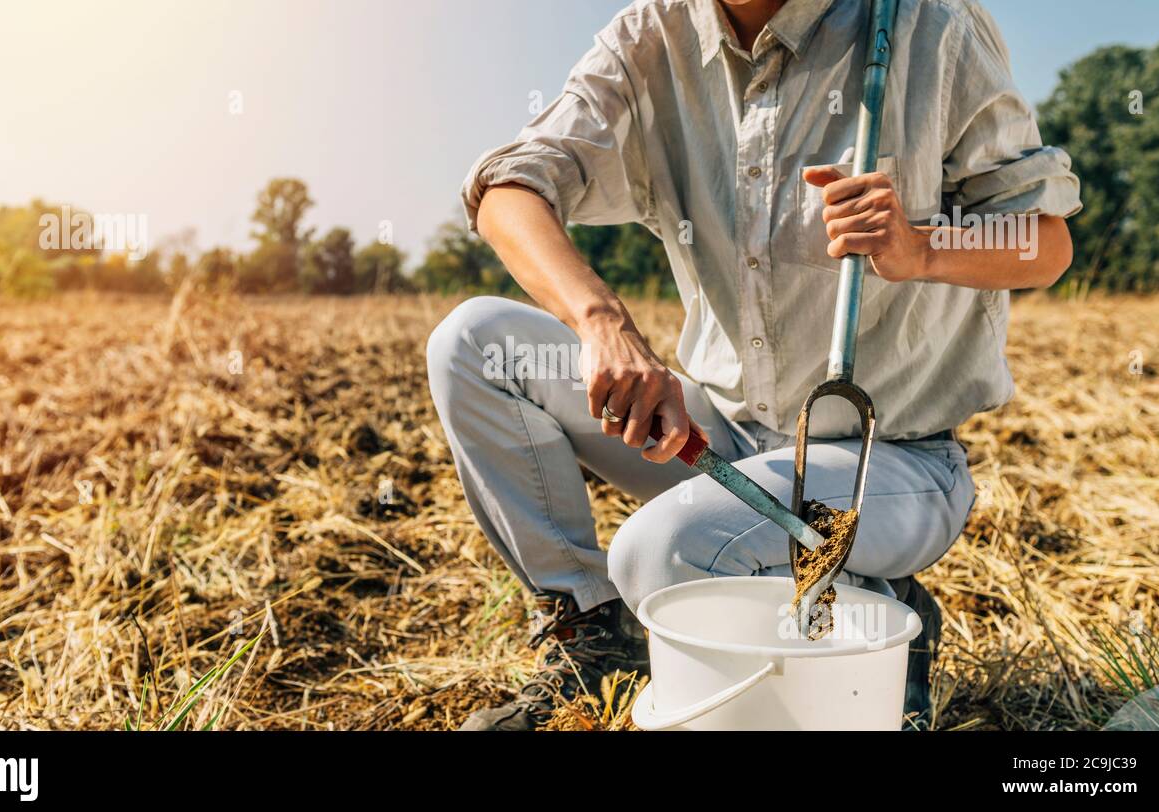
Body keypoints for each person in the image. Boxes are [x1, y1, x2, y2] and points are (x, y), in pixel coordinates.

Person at [426, 0, 1080, 731]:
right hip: (723, 438)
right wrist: (600, 321)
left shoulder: (935, 26)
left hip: (885, 463)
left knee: (659, 555)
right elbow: (507, 191)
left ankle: (875, 604)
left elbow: (1046, 241)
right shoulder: (653, 34)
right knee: (472, 343)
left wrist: (921, 246)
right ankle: (595, 637)